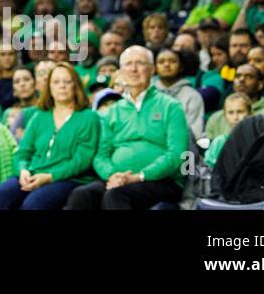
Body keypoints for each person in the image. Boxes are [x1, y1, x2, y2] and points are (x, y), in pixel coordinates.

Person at [64, 46, 190, 209]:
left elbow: (176, 154)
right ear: (122, 72)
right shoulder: (113, 111)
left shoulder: (171, 106)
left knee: (115, 196)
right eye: (128, 64)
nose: (134, 69)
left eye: (140, 63)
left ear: (152, 69)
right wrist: (113, 176)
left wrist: (139, 176)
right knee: (82, 194)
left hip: (162, 181)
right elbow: (100, 155)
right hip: (118, 180)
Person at [0, 64, 101, 210]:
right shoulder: (39, 116)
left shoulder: (88, 117)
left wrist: (49, 177)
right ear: (49, 87)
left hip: (69, 178)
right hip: (33, 173)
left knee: (33, 204)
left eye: (67, 82)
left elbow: (82, 160)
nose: (62, 86)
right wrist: (23, 171)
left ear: (75, 86)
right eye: (56, 82)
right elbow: (23, 153)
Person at [154, 48, 206, 140]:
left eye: (172, 61)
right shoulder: (147, 94)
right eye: (161, 62)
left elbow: (195, 132)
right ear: (155, 67)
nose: (166, 65)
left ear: (181, 67)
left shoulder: (192, 96)